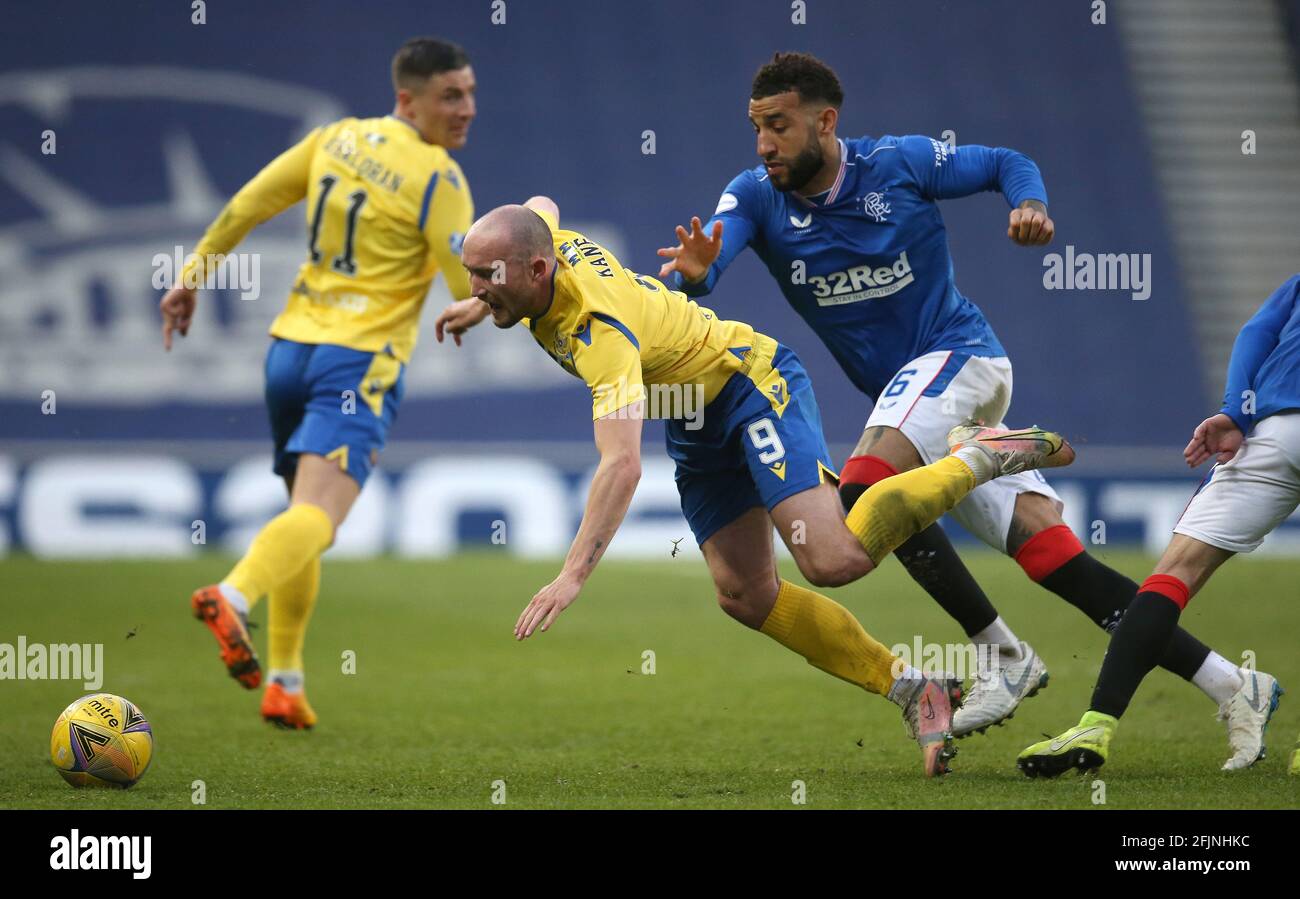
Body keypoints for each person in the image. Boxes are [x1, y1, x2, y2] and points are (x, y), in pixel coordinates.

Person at [655, 50, 1241, 738]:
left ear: (825, 121)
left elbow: (1006, 161)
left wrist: (1031, 204)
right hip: (925, 410)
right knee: (1054, 558)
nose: (764, 145)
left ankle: (996, 465)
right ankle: (1231, 683)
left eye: (778, 126)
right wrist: (696, 274)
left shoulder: (897, 164)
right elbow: (710, 261)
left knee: (866, 489)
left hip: (961, 360)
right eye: (756, 128)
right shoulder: (755, 194)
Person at [435, 198, 1074, 776]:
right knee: (743, 593)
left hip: (750, 386)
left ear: (539, 269)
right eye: (473, 272)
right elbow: (537, 207)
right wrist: (487, 298)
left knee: (831, 560)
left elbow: (621, 467)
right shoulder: (536, 247)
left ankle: (979, 457)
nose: (476, 285)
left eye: (488, 275)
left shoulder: (598, 332)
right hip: (692, 417)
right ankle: (917, 690)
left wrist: (572, 575)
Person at [158, 37, 476, 728]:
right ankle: (233, 596)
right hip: (355, 362)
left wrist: (190, 279)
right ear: (407, 100)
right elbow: (465, 287)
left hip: (288, 353)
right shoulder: (440, 179)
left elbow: (247, 202)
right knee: (321, 518)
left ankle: (286, 679)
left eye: (470, 94)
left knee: (302, 516)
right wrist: (508, 283)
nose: (466, 109)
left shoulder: (333, 139)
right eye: (451, 96)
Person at [1019, 275, 1299, 776]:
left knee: (1172, 575)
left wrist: (1234, 411)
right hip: (1276, 429)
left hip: (1277, 430)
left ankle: (1097, 723)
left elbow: (1257, 331)